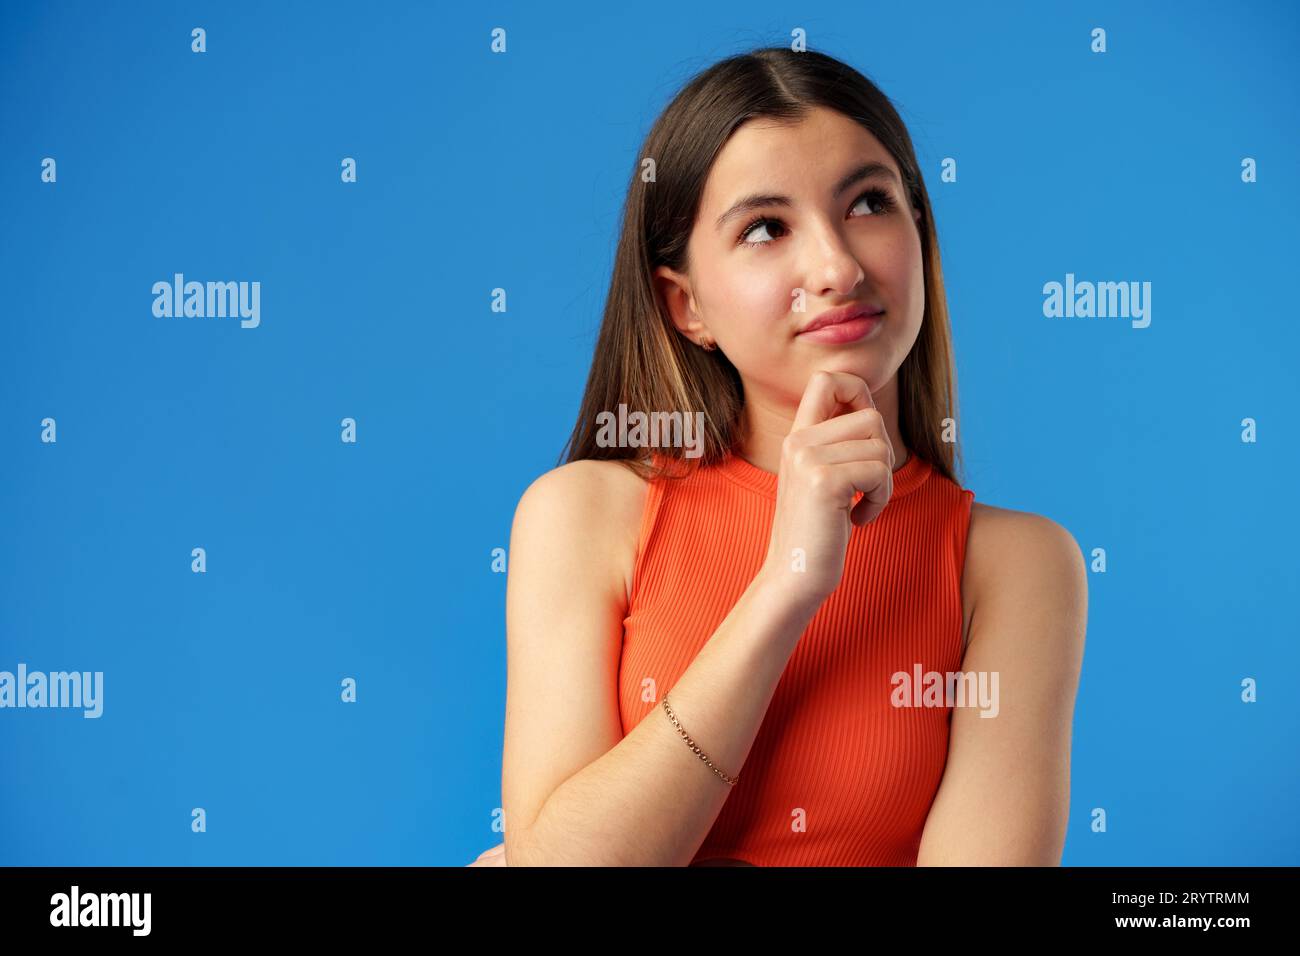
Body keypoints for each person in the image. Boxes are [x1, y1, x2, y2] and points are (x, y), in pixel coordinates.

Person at [470, 47, 1087, 867]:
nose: (836, 266)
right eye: (766, 228)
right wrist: (787, 586)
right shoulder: (581, 514)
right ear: (686, 306)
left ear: (919, 236)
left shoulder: (1016, 567)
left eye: (869, 202)